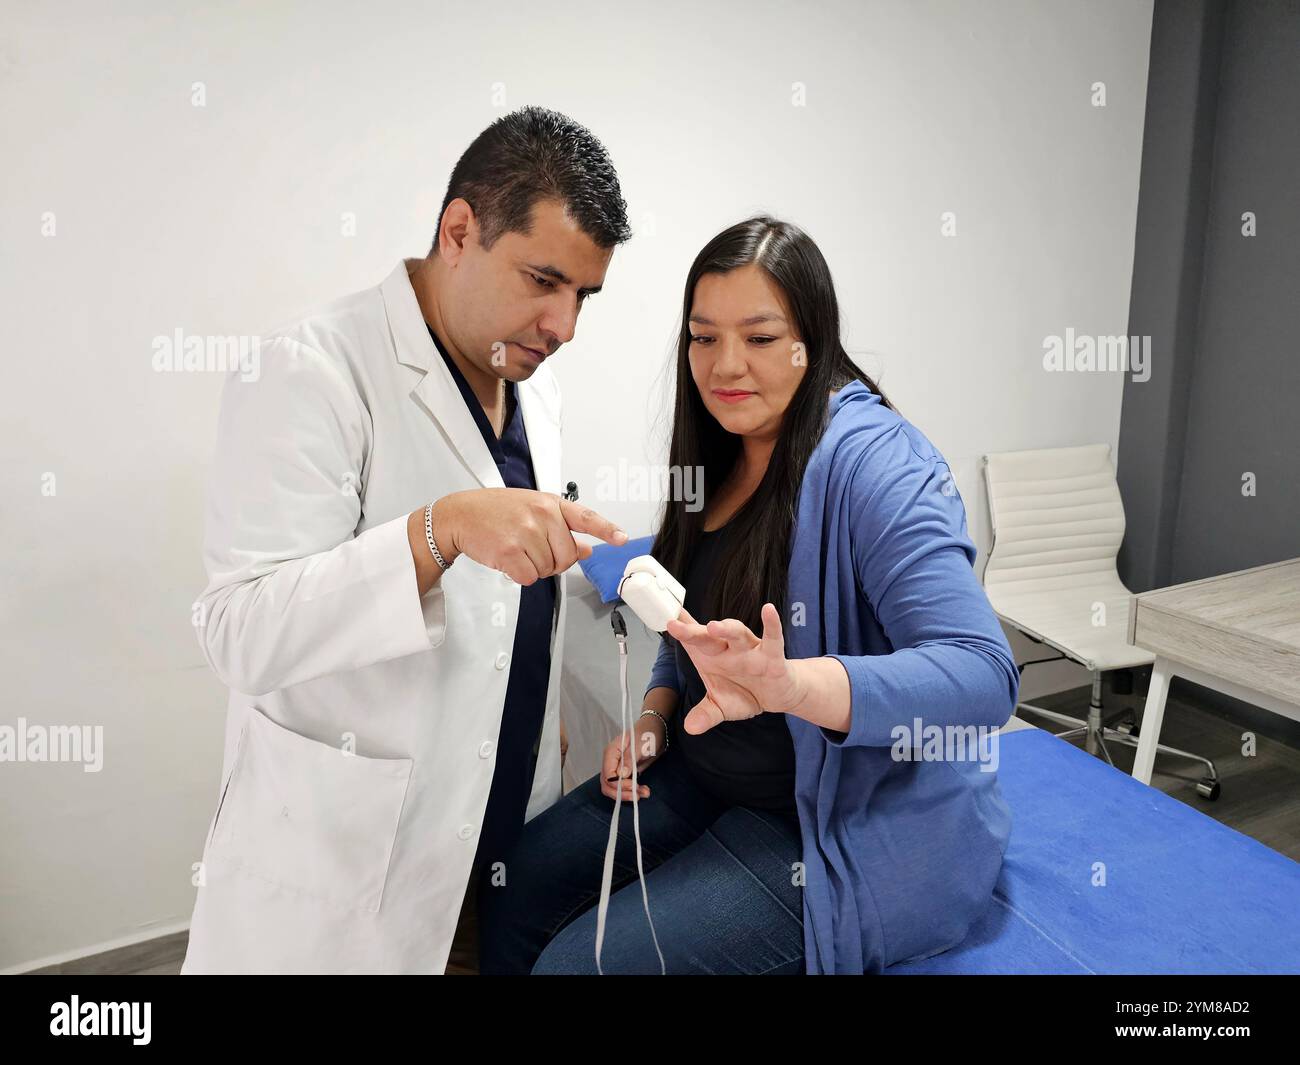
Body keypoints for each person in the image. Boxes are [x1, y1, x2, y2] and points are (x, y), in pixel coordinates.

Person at [477, 215, 1019, 974]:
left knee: (579, 966)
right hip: (704, 772)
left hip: (826, 825)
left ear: (812, 338)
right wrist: (655, 719)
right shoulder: (716, 452)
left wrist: (793, 685)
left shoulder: (878, 465)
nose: (725, 364)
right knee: (514, 879)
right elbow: (691, 633)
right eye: (703, 337)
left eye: (761, 339)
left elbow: (983, 675)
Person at [182, 106, 631, 974]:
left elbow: (501, 605)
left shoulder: (537, 396)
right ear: (459, 229)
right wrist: (442, 528)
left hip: (500, 845)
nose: (565, 325)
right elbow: (240, 630)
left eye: (584, 295)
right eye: (544, 280)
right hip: (354, 861)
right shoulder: (312, 372)